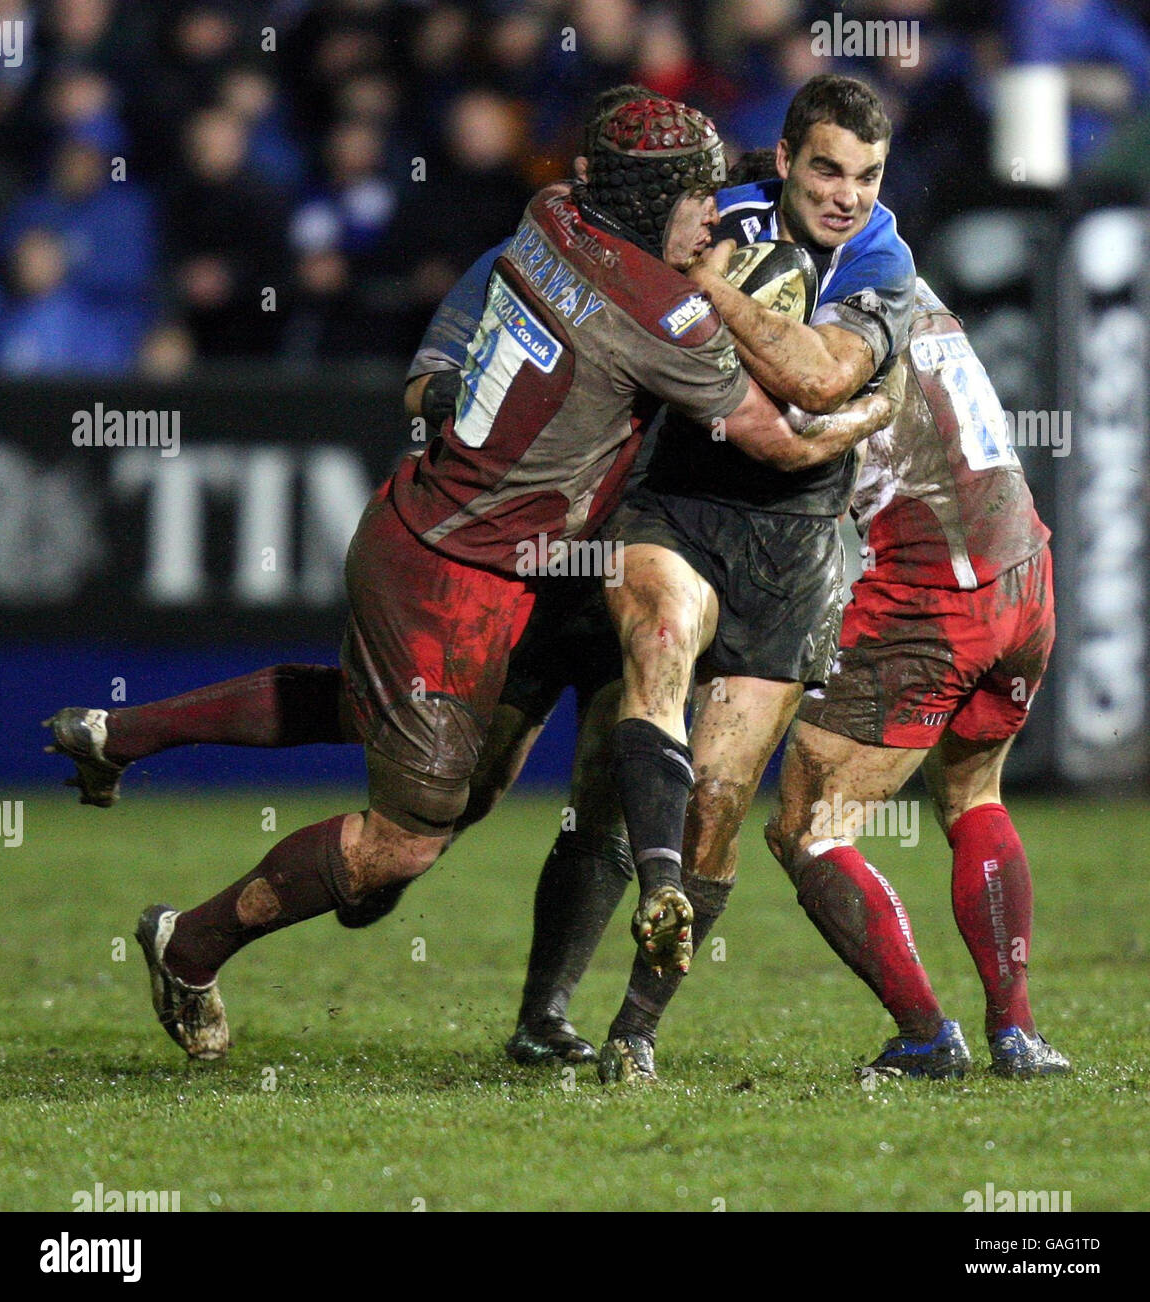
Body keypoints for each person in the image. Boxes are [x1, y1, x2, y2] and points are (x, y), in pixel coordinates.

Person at [45, 92, 844, 1062]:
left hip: (433, 531)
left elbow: (480, 347)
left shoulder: (548, 217)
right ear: (651, 206)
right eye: (697, 199)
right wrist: (866, 408)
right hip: (456, 575)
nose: (713, 218)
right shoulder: (660, 313)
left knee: (368, 711)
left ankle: (119, 733)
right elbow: (781, 439)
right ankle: (192, 943)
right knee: (409, 835)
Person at [593, 73, 917, 1083]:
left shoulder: (884, 265)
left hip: (797, 544)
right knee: (657, 645)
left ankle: (632, 1028)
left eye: (865, 174)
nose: (845, 193)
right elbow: (594, 218)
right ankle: (630, 907)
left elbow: (819, 379)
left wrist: (706, 289)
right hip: (676, 503)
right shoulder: (714, 201)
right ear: (783, 160)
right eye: (825, 167)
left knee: (721, 798)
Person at [764, 275, 1071, 1080]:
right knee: (974, 797)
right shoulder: (906, 281)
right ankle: (1018, 1035)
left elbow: (784, 446)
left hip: (937, 595)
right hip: (1027, 573)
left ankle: (929, 1036)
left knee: (808, 828)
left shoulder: (818, 321)